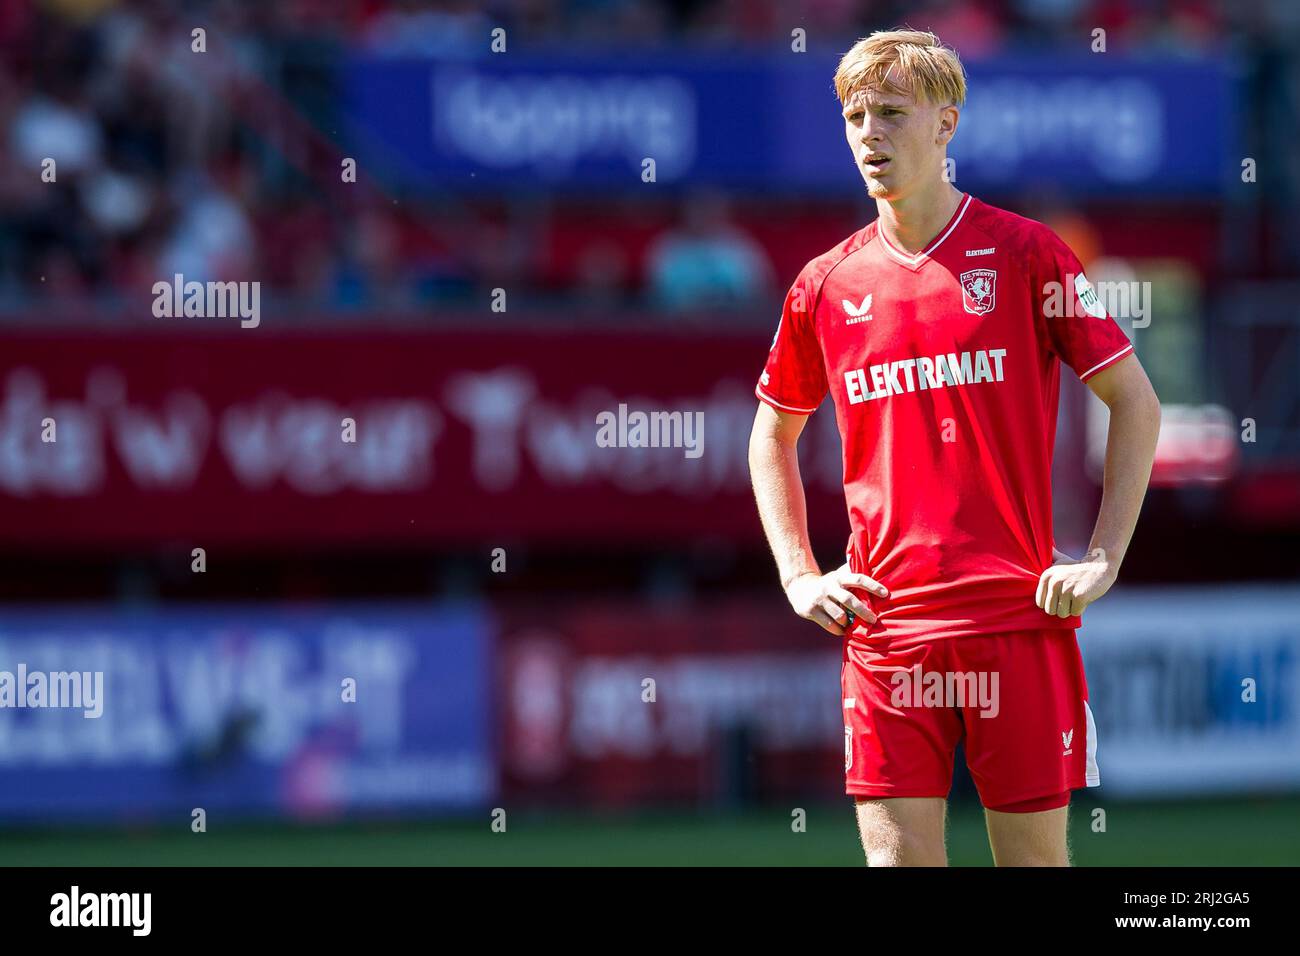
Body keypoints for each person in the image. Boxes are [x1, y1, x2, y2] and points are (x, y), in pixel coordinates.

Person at [747, 29, 1161, 866]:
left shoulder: (1026, 252)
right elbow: (771, 432)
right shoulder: (826, 283)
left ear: (947, 123)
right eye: (855, 116)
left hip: (1019, 618)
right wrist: (798, 572)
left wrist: (1104, 557)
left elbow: (1135, 402)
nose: (870, 134)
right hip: (887, 629)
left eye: (893, 113)